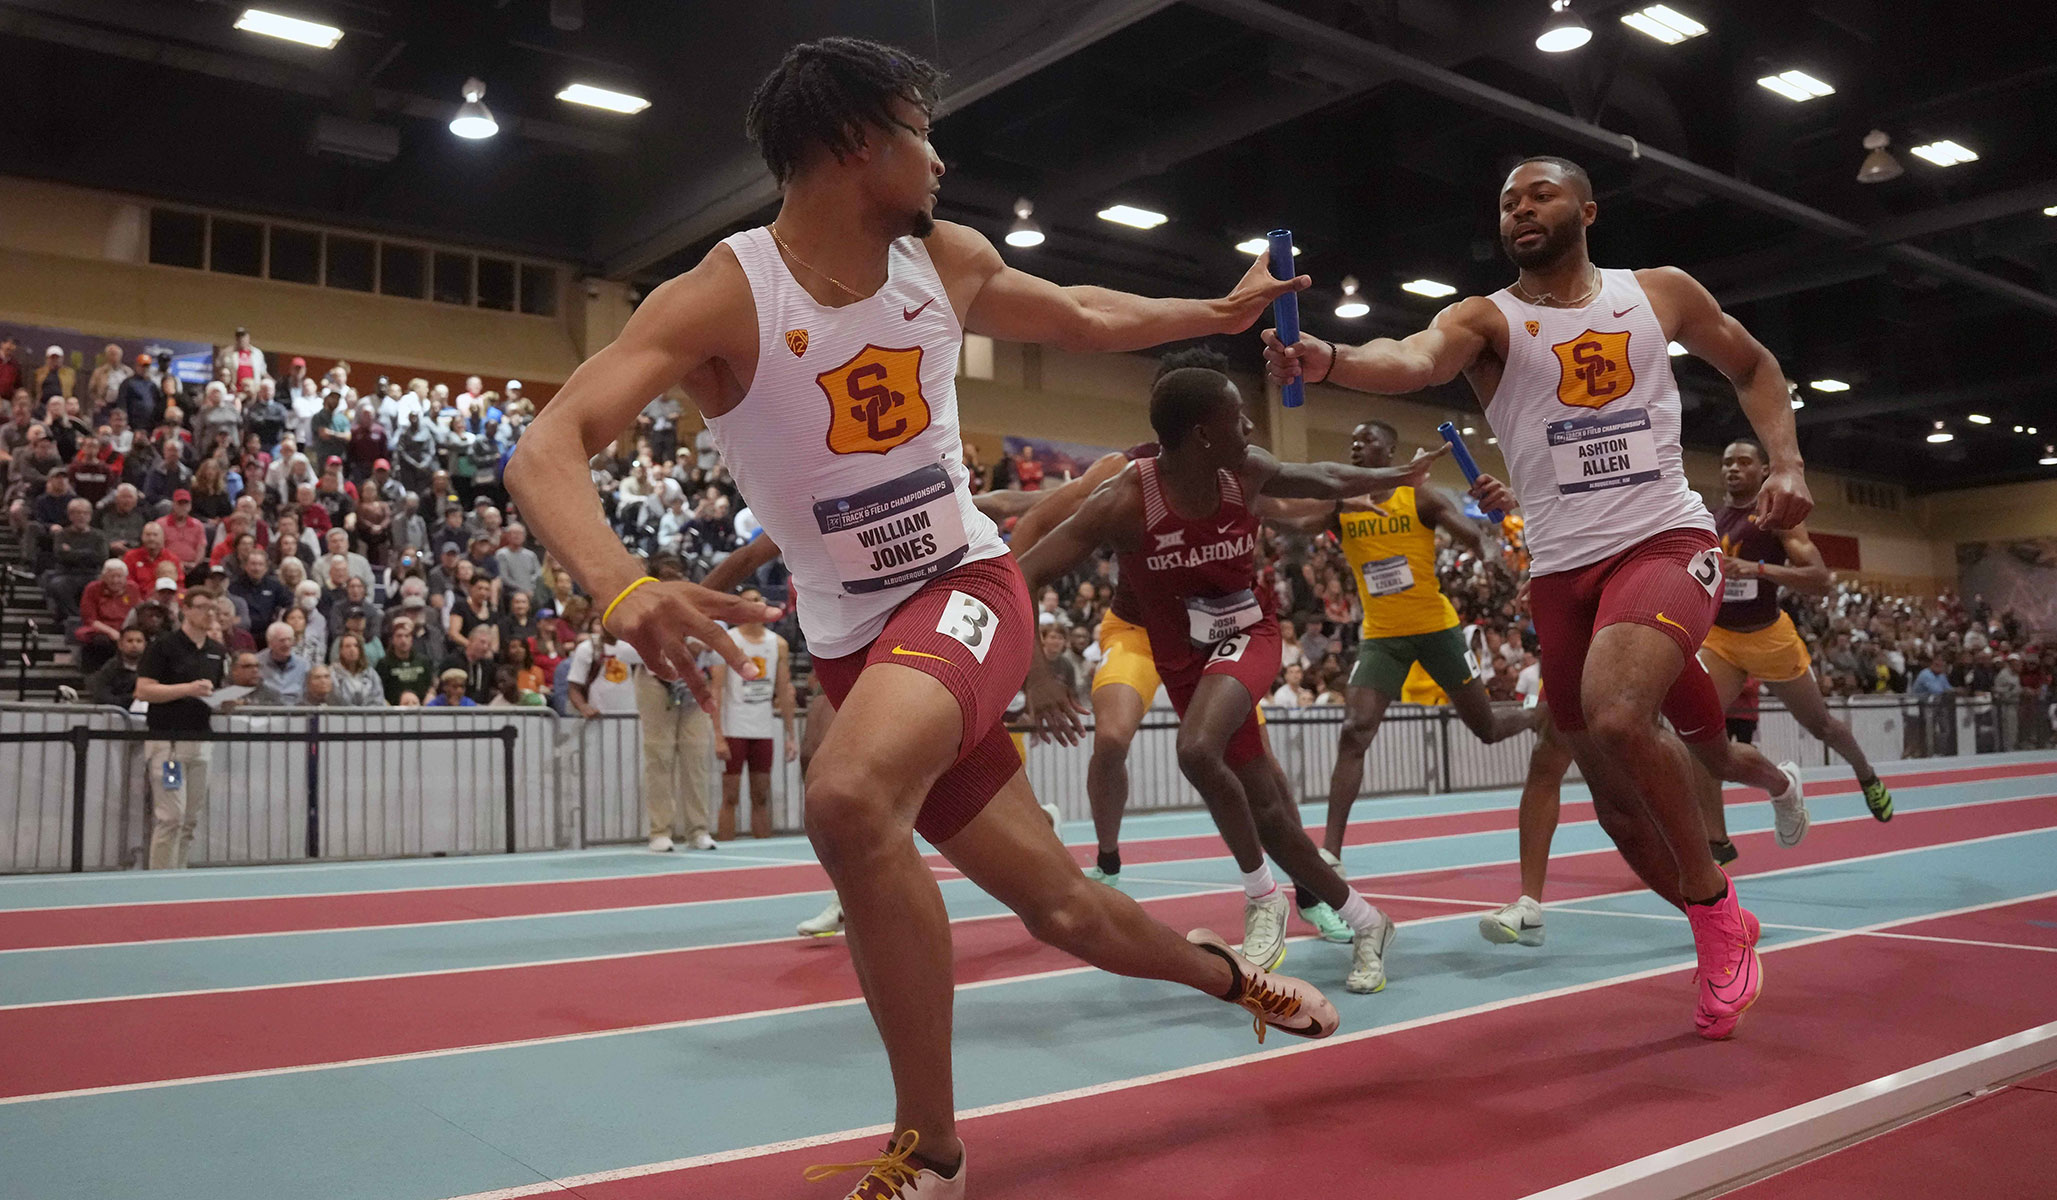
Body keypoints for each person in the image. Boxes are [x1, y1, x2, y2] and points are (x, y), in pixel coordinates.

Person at [505, 37, 1335, 1196]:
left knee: (844, 800)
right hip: (856, 646)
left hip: (964, 589)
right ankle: (1234, 983)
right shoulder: (724, 295)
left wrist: (1218, 306)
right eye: (919, 129)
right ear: (857, 144)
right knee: (1059, 908)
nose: (939, 157)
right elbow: (545, 445)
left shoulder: (944, 259)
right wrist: (622, 582)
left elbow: (1087, 318)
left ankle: (931, 1152)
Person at [1265, 155, 1811, 1039]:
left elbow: (1752, 365)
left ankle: (1716, 922)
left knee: (1618, 714)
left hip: (1664, 540)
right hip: (1562, 576)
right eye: (1506, 200)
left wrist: (1785, 460)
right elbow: (1410, 358)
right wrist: (1327, 357)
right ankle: (1717, 915)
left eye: (1538, 193)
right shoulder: (1486, 318)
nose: (1519, 207)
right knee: (1616, 809)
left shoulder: (1657, 292)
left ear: (1586, 209)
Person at [1018, 358, 1444, 989]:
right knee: (1268, 809)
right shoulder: (1125, 501)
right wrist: (1037, 675)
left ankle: (1261, 894)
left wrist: (1393, 474)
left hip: (1248, 632)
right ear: (1199, 435)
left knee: (1195, 749)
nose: (1250, 424)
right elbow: (1019, 574)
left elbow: (1322, 474)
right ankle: (1366, 918)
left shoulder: (1244, 470)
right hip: (1182, 654)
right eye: (1235, 417)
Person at [1285, 418, 1537, 862]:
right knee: (1354, 732)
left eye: (1368, 440)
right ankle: (1330, 852)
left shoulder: (1418, 496)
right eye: (1354, 440)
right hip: (1383, 637)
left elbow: (1473, 535)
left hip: (1436, 630)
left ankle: (1540, 716)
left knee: (1488, 729)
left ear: (1390, 451)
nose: (1357, 446)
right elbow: (1295, 520)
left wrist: (1488, 549)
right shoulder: (1345, 505)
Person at [1695, 438, 1893, 834]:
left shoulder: (1778, 516)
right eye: (1727, 462)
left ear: (1764, 470)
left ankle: (1866, 774)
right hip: (1720, 639)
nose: (1733, 469)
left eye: (1743, 462)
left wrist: (1758, 570)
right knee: (1698, 732)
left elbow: (1820, 581)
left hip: (1768, 637)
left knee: (1821, 725)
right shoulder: (1709, 519)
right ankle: (1716, 839)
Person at [134, 589, 230, 868]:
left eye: (213, 608)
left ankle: (181, 876)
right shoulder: (164, 646)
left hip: (200, 742)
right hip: (169, 745)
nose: (209, 613)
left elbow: (215, 694)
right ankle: (160, 881)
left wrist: (227, 701)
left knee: (190, 818)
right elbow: (143, 690)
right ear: (185, 610)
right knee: (171, 816)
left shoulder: (217, 651)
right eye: (202, 607)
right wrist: (188, 689)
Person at [710, 586, 796, 840]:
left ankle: (763, 844)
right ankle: (725, 851)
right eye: (747, 601)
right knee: (731, 795)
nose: (754, 605)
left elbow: (784, 689)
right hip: (733, 726)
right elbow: (716, 689)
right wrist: (718, 735)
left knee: (761, 795)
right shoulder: (728, 641)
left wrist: (791, 735)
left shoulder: (777, 643)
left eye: (757, 600)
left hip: (762, 727)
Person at [83, 626, 149, 708]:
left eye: (139, 641)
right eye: (129, 641)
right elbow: (102, 696)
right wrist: (130, 699)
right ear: (120, 644)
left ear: (145, 645)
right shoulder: (110, 668)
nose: (134, 645)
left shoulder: (153, 666)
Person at [377, 616, 435, 704]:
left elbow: (431, 687)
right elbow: (378, 691)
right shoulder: (384, 663)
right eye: (399, 636)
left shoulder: (423, 661)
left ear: (412, 639)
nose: (403, 640)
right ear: (393, 639)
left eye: (407, 636)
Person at [252, 621, 310, 704]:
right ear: (270, 643)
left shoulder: (304, 665)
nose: (286, 644)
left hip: (295, 712)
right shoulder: (256, 662)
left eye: (289, 640)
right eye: (281, 640)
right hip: (266, 712)